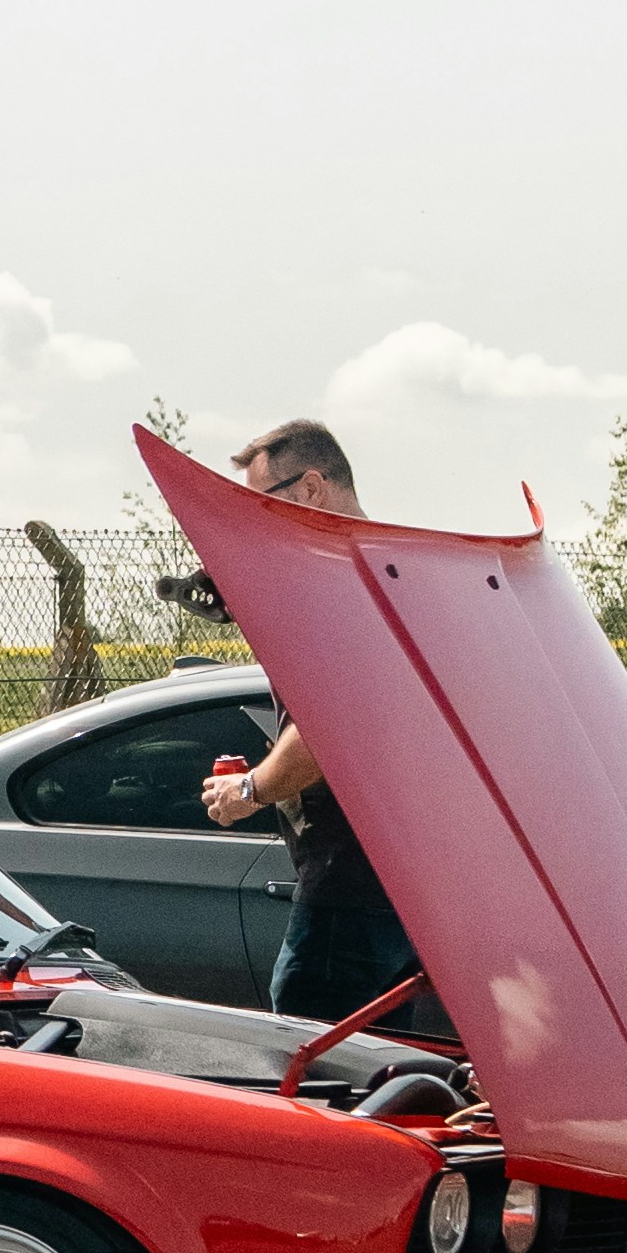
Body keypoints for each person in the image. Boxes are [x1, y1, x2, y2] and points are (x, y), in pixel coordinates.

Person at [197, 418, 428, 1024]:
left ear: (310, 488)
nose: (253, 519)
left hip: (348, 883)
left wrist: (248, 790)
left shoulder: (336, 587)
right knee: (387, 1072)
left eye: (261, 501)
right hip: (409, 872)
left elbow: (329, 731)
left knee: (319, 1073)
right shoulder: (388, 568)